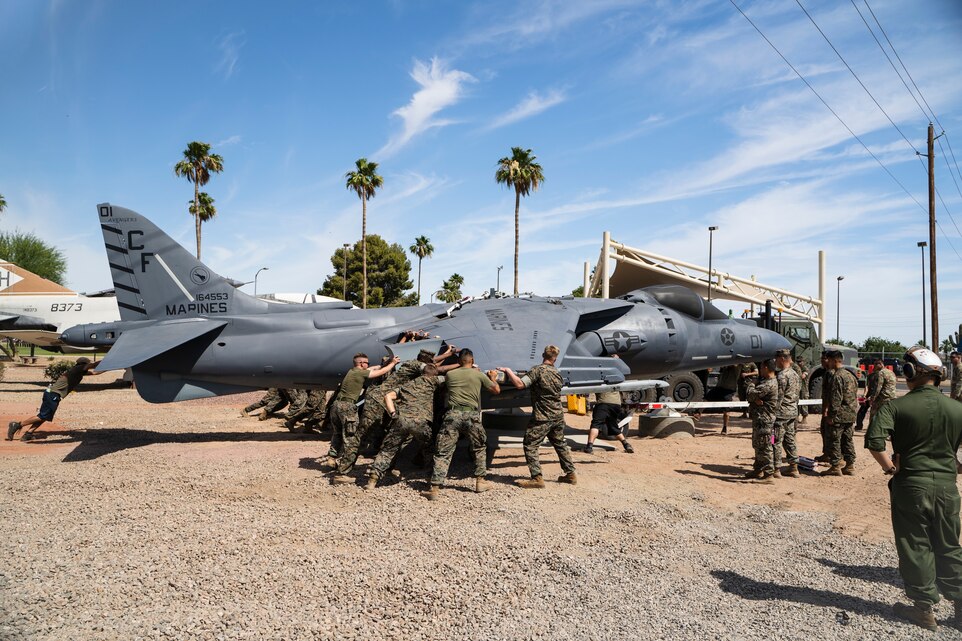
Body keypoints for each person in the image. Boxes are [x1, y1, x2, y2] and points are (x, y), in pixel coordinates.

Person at [865, 346, 962, 631]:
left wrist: (890, 468)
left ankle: (923, 610)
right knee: (949, 546)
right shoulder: (957, 408)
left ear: (910, 373)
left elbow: (874, 442)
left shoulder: (895, 406)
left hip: (910, 485)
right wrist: (955, 466)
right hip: (947, 487)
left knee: (915, 545)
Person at [423, 349, 502, 500]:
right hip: (472, 416)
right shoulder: (478, 375)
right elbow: (496, 390)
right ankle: (480, 482)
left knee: (443, 451)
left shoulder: (450, 375)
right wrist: (493, 377)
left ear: (459, 361)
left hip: (452, 415)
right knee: (479, 448)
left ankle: (434, 488)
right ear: (472, 361)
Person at [499, 345, 577, 489]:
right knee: (560, 444)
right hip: (558, 415)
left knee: (530, 444)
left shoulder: (537, 370)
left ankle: (537, 478)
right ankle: (570, 474)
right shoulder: (557, 373)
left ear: (543, 355)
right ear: (555, 358)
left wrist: (508, 371)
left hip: (543, 416)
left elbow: (520, 384)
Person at [365, 364, 443, 490]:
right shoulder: (434, 381)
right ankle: (431, 482)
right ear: (433, 375)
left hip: (401, 420)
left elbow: (387, 396)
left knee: (388, 450)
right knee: (429, 451)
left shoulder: (407, 385)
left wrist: (393, 413)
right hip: (421, 422)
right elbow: (450, 378)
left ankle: (372, 480)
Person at [326, 353, 399, 470]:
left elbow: (375, 368)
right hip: (347, 406)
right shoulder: (361, 372)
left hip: (336, 406)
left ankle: (332, 457)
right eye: (367, 363)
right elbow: (380, 372)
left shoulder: (352, 371)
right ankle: (344, 467)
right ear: (361, 363)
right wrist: (393, 364)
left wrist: (388, 362)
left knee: (338, 433)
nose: (368, 365)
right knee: (351, 437)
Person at [7, 357, 104, 441]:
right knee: (43, 415)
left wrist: (110, 367)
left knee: (46, 415)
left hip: (52, 394)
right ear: (83, 364)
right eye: (86, 365)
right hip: (53, 394)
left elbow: (96, 373)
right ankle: (18, 425)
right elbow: (94, 365)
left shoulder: (79, 372)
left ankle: (29, 433)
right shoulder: (78, 368)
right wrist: (107, 360)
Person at [821, 350, 858, 477]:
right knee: (848, 440)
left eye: (829, 360)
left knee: (834, 440)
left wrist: (831, 415)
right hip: (851, 414)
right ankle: (850, 465)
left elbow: (836, 399)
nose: (828, 363)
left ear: (834, 360)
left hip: (839, 415)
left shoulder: (838, 376)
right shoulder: (850, 375)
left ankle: (835, 466)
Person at [743, 359, 778, 483]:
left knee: (765, 446)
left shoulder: (769, 384)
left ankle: (768, 474)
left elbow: (750, 394)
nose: (760, 370)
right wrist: (755, 400)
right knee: (758, 445)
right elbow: (754, 397)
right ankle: (758, 469)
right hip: (760, 419)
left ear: (766, 368)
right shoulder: (767, 382)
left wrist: (751, 385)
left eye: (762, 368)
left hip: (765, 420)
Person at [774, 349, 801, 478]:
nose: (776, 361)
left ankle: (776, 468)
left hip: (780, 414)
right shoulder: (795, 374)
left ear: (782, 359)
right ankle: (794, 467)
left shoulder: (782, 376)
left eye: (777, 359)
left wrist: (772, 412)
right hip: (792, 412)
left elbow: (778, 397)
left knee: (774, 440)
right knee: (790, 439)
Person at [794, 356, 810, 422]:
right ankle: (796, 417)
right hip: (797, 388)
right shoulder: (796, 368)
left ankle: (804, 417)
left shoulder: (805, 368)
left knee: (804, 402)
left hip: (804, 389)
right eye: (798, 362)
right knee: (796, 402)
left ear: (803, 362)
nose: (799, 363)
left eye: (800, 361)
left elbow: (803, 376)